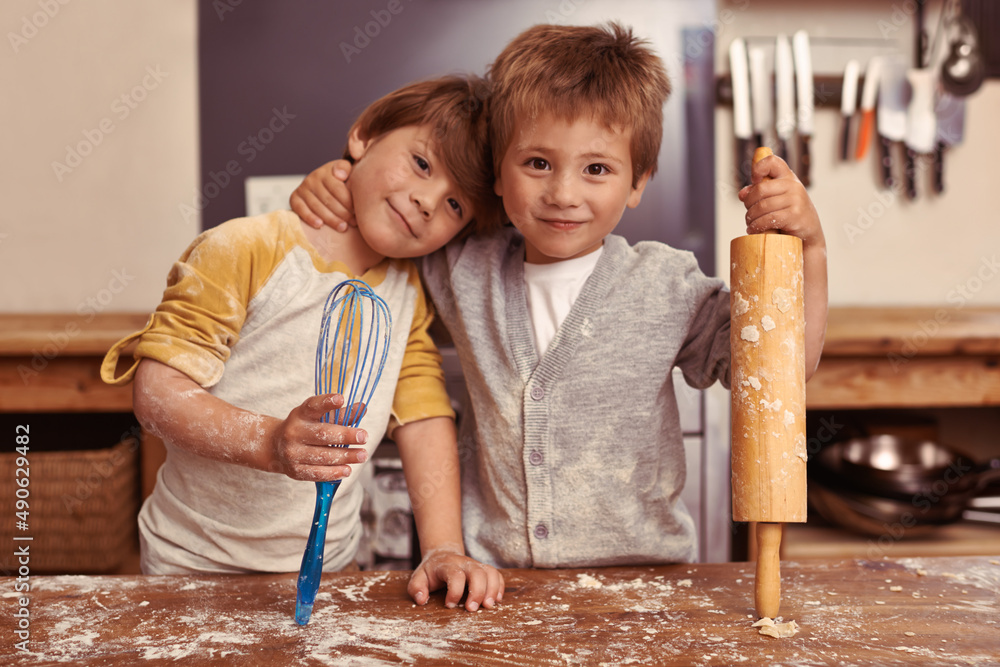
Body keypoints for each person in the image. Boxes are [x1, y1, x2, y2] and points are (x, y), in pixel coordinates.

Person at [291, 23, 828, 569]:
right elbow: (389, 215)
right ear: (499, 171)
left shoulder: (667, 284)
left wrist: (811, 251)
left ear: (638, 181)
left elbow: (785, 367)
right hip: (497, 587)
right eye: (538, 163)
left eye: (597, 169)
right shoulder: (462, 264)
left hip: (646, 587)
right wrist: (335, 179)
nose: (563, 194)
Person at [101, 75, 506, 611]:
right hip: (193, 564)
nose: (429, 201)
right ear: (362, 137)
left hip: (332, 565)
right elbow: (157, 392)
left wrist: (443, 548)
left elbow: (425, 420)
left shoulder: (407, 294)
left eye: (456, 205)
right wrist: (271, 443)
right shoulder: (246, 248)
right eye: (422, 164)